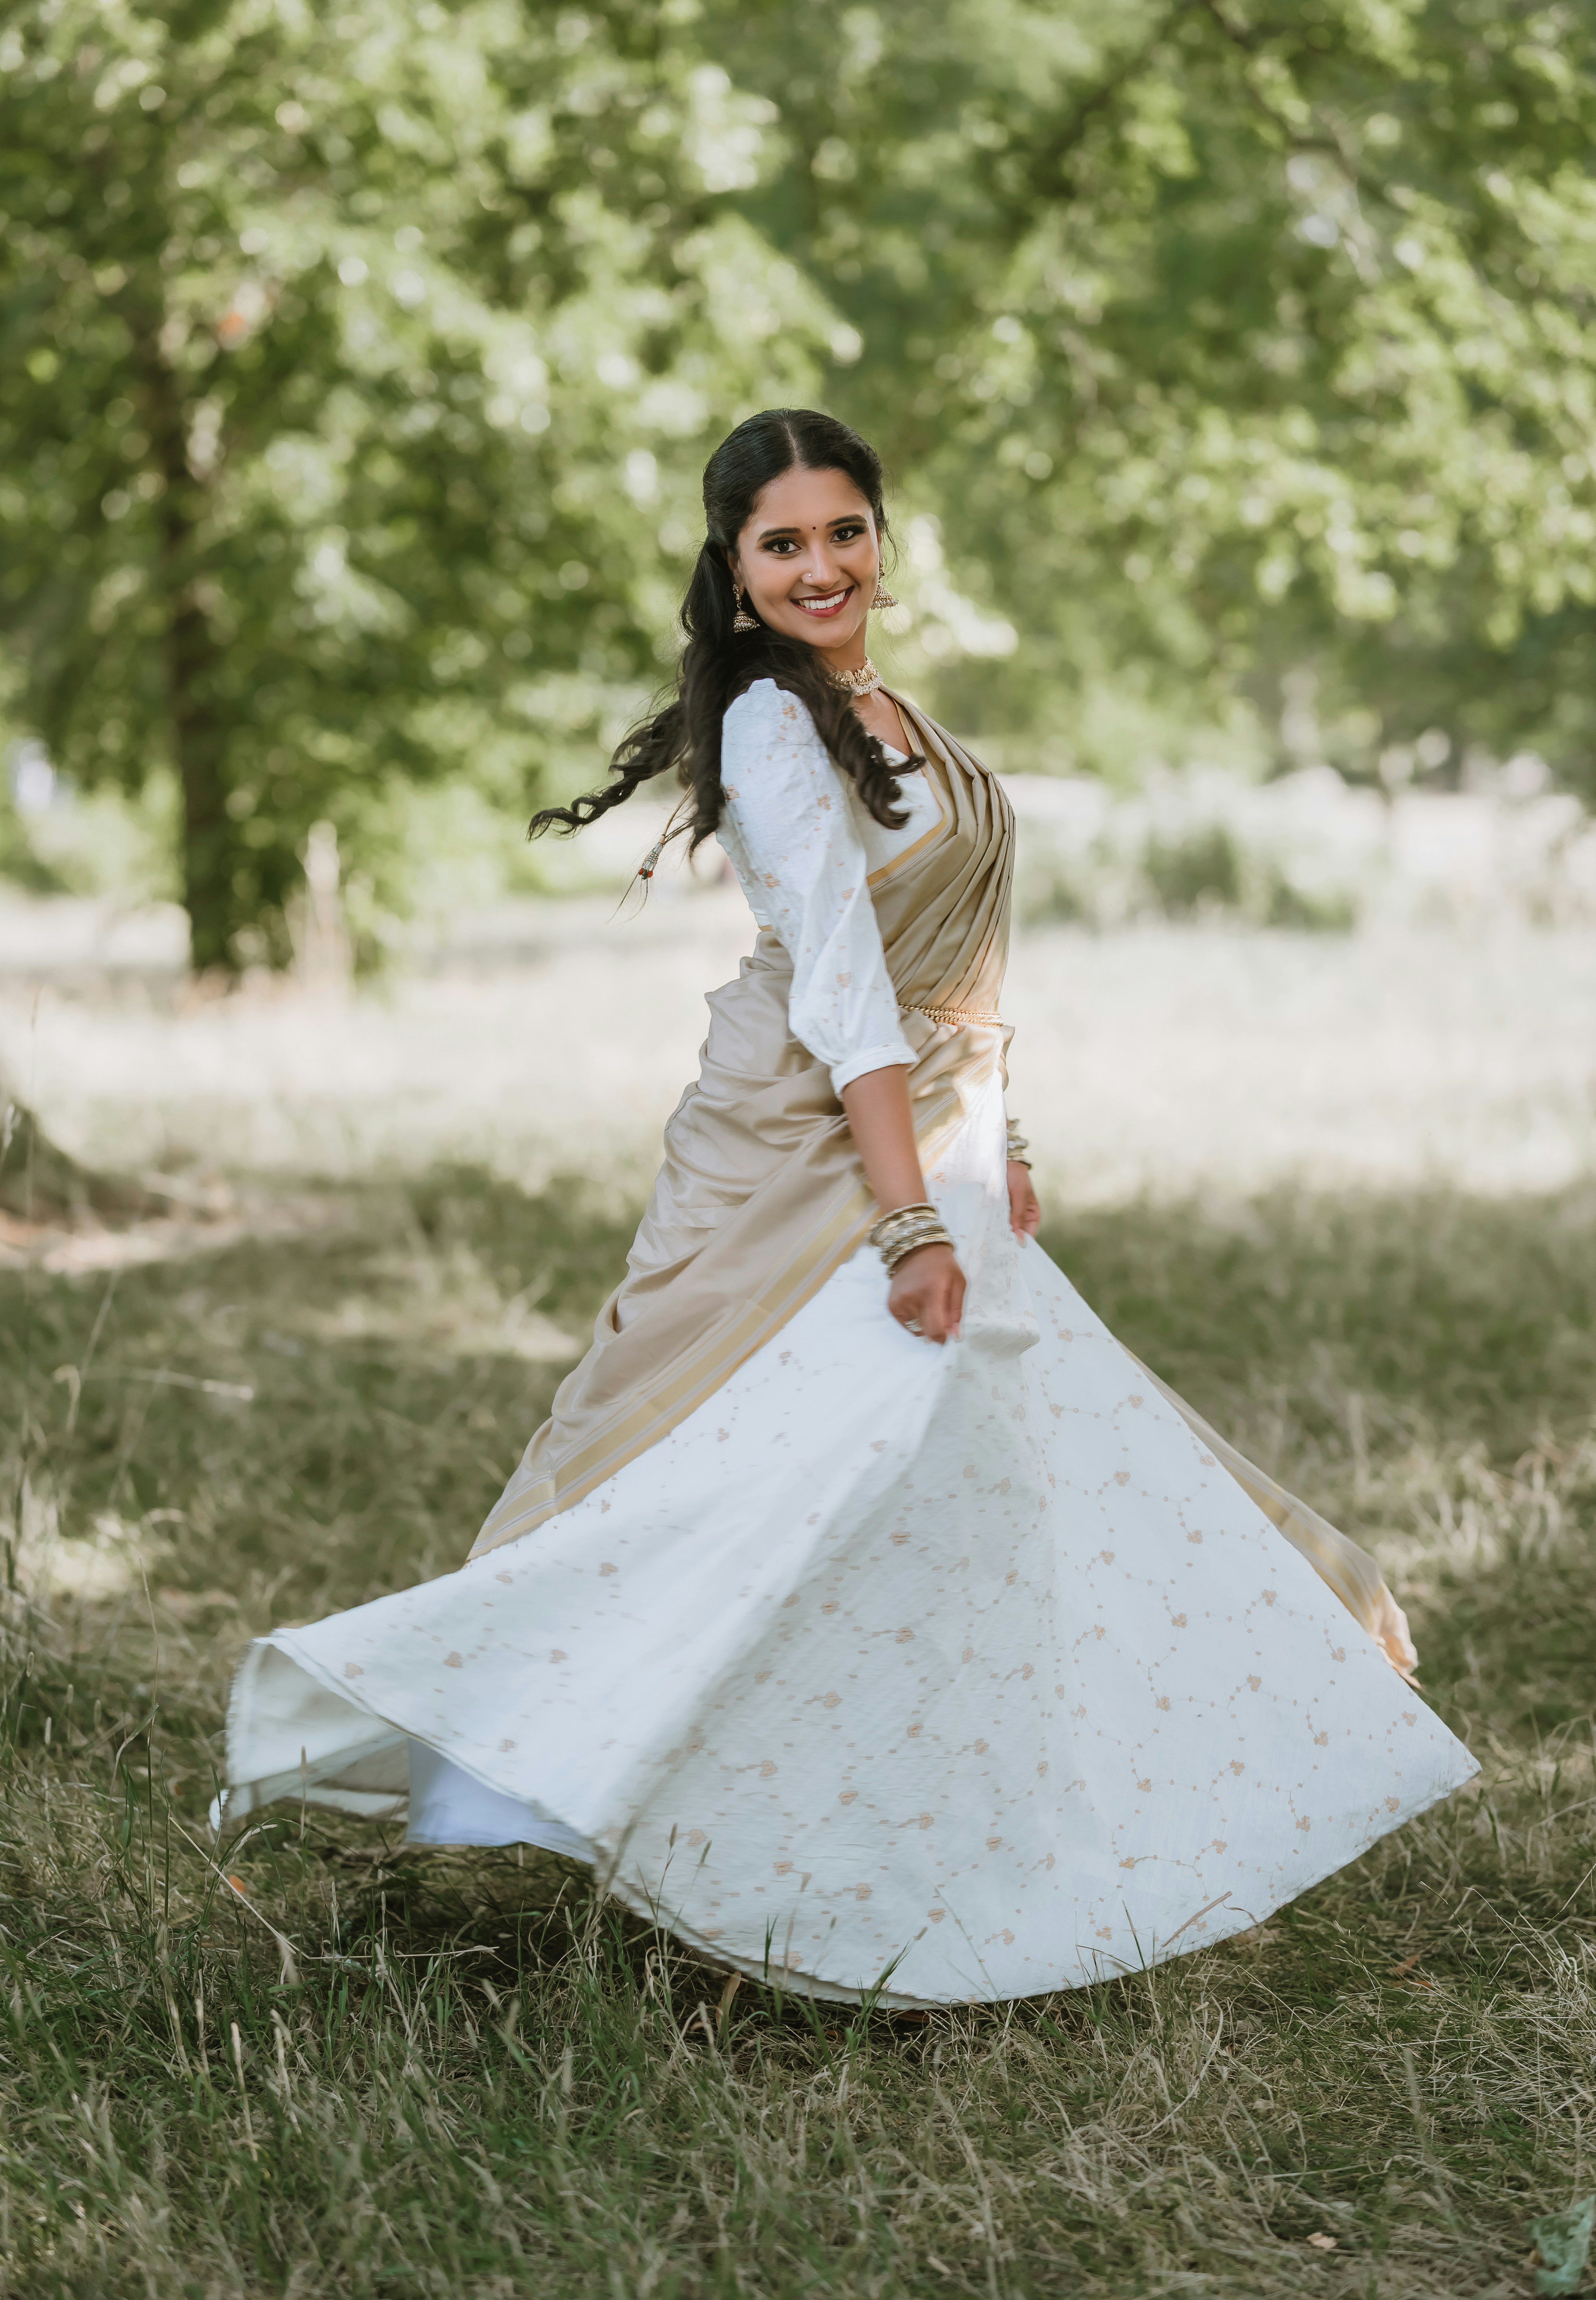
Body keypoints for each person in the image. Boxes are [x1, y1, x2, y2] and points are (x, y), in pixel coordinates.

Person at [218, 408, 1476, 2007]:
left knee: (980, 1484)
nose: (822, 564)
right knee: (789, 1471)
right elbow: (841, 987)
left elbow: (962, 963)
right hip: (810, 1145)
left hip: (930, 1131)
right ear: (734, 571)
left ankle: (956, 1846)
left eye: (845, 531)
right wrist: (908, 1222)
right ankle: (686, 1828)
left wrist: (999, 1140)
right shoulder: (770, 722)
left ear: (883, 537)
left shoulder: (881, 704)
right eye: (782, 543)